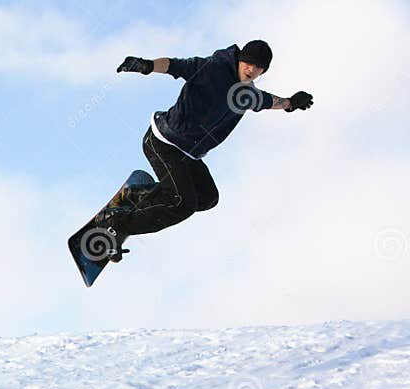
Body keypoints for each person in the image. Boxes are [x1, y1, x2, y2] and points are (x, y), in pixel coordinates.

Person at [98, 40, 313, 245]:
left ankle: (139, 194)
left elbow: (269, 101)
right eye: (248, 63)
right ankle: (115, 224)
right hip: (164, 142)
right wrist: (147, 65)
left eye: (257, 67)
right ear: (240, 59)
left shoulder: (248, 94)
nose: (251, 69)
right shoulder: (213, 68)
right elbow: (176, 66)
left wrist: (291, 104)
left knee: (207, 197)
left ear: (263, 71)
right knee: (183, 204)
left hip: (188, 154)